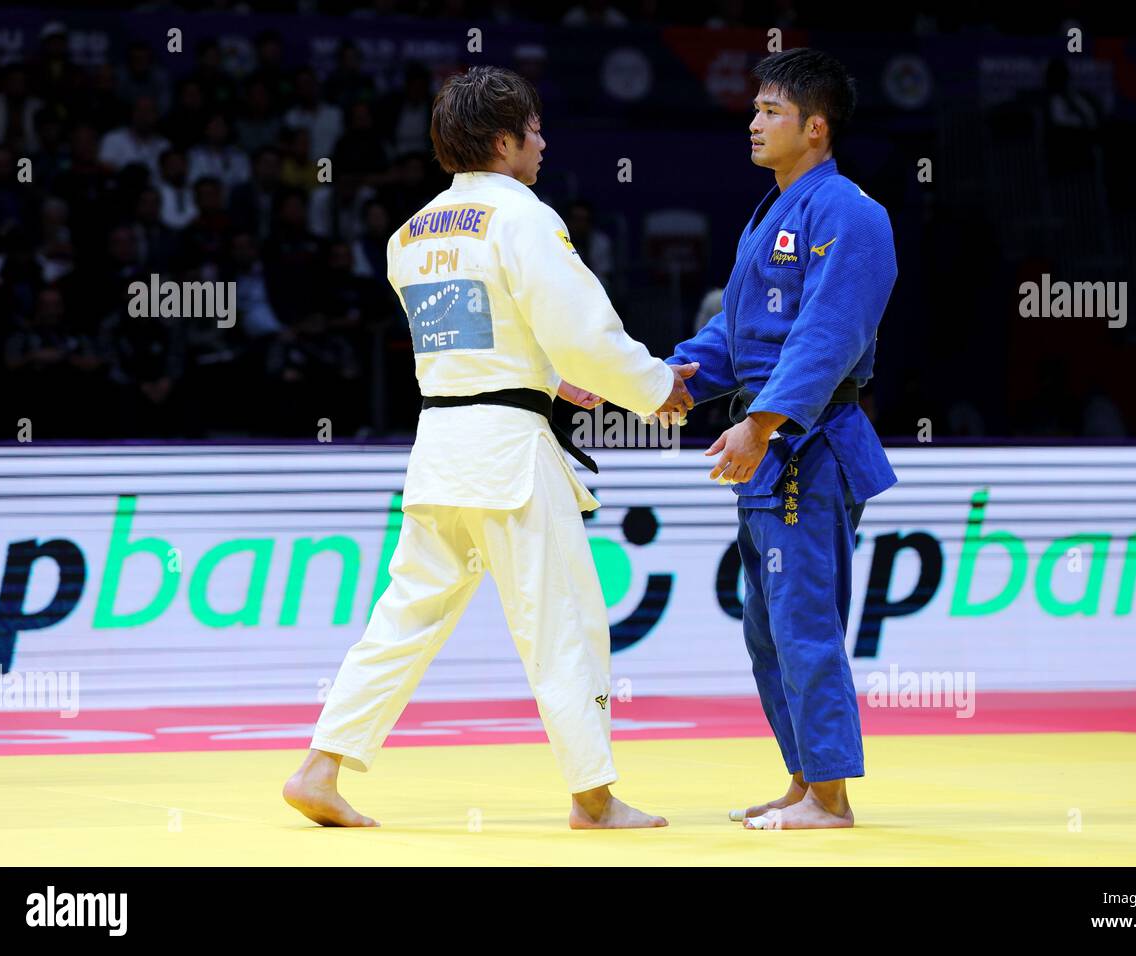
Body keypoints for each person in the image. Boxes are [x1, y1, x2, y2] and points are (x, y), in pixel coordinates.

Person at [283, 66, 696, 830]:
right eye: (534, 130)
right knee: (564, 619)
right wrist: (656, 387)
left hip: (441, 445)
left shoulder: (408, 235)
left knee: (404, 616)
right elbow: (581, 331)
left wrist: (548, 378)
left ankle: (320, 766)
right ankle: (594, 798)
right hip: (508, 452)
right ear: (503, 142)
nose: (542, 142)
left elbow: (476, 336)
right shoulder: (522, 217)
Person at [666, 48, 898, 829]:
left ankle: (831, 797)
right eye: (756, 108)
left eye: (772, 111)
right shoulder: (770, 214)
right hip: (774, 449)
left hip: (810, 445)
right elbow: (734, 336)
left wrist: (759, 424)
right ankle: (804, 781)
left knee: (803, 622)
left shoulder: (852, 214)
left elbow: (827, 337)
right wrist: (667, 380)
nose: (755, 122)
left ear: (817, 127)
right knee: (765, 628)